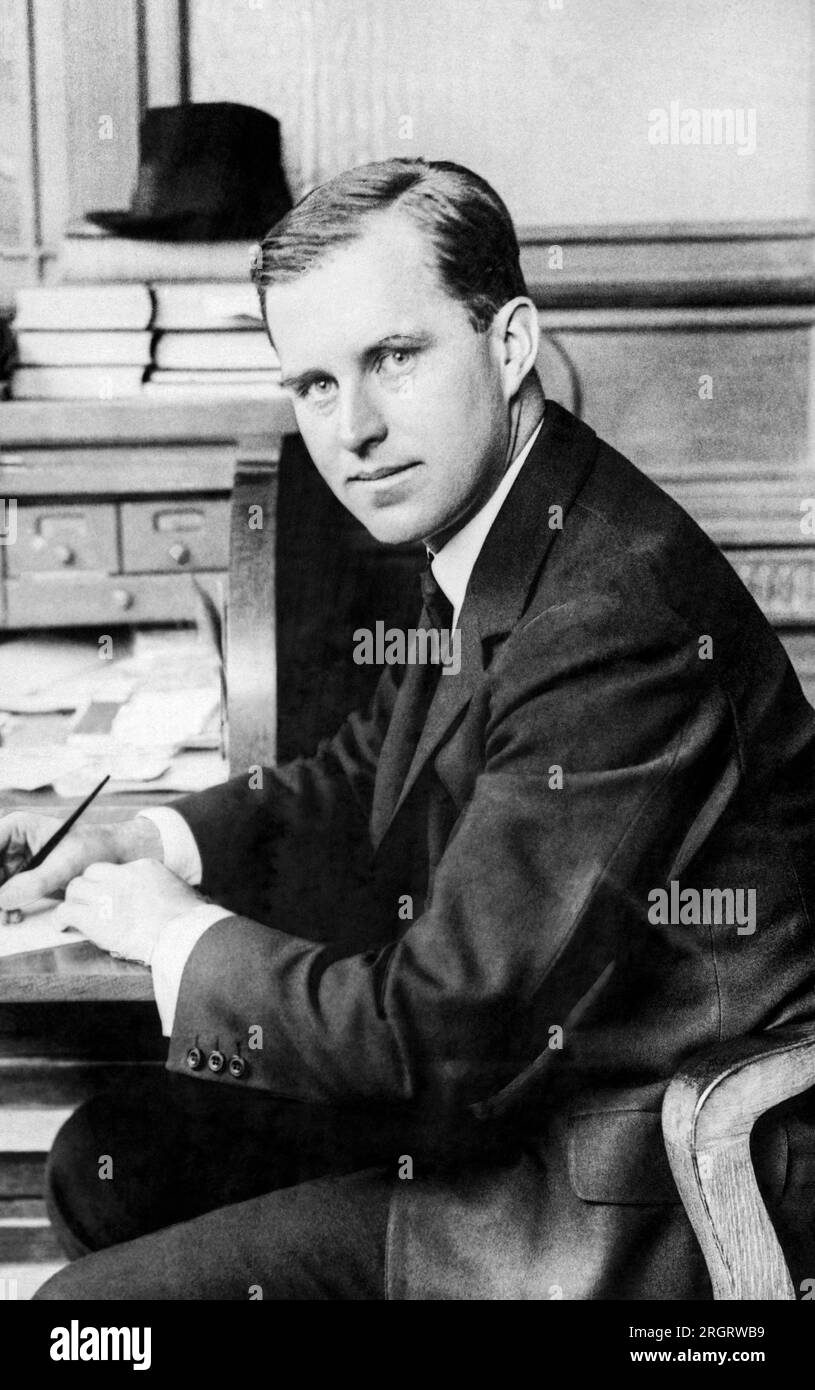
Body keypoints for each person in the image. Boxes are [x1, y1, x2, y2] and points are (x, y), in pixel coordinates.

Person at [5, 158, 815, 1299]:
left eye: (392, 358)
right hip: (526, 1101)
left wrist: (176, 934)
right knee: (112, 1160)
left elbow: (438, 1039)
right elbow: (363, 776)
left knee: (84, 1320)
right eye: (314, 385)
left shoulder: (608, 616)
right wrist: (157, 846)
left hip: (612, 1190)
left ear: (509, 341)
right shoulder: (502, 519)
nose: (356, 431)